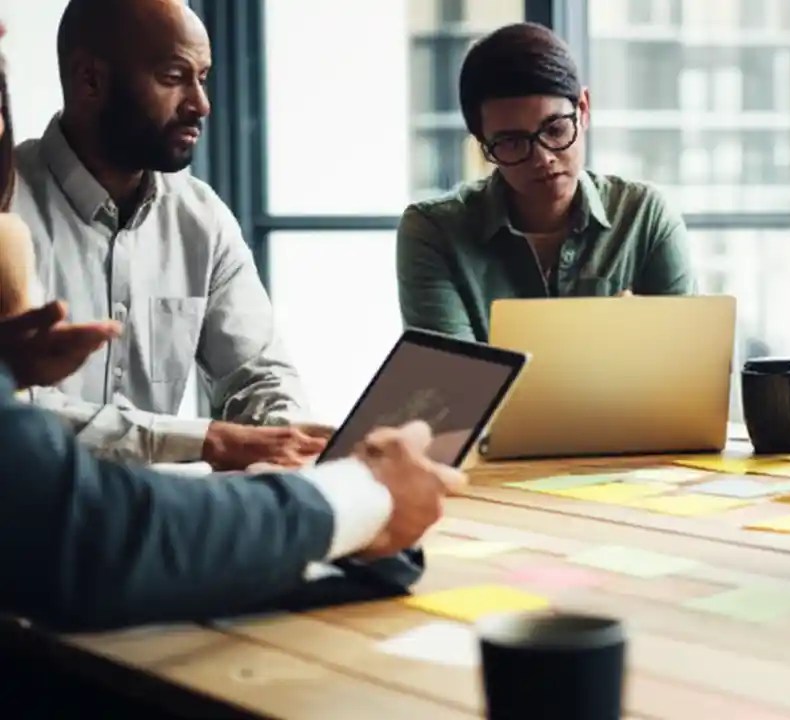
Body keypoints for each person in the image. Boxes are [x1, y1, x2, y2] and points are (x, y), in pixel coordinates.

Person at [0, 297, 466, 633]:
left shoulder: (197, 210)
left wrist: (291, 452)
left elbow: (259, 366)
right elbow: (88, 531)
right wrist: (365, 493)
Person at [10, 0, 322, 470]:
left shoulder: (201, 218)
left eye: (203, 77)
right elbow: (16, 415)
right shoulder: (7, 210)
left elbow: (258, 374)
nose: (201, 104)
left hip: (156, 520)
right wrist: (206, 441)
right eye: (175, 77)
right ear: (90, 79)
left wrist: (291, 441)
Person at [396, 22, 695, 342]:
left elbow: (689, 365)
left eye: (555, 130)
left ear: (583, 110)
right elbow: (459, 381)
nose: (542, 158)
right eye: (512, 142)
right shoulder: (435, 232)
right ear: (483, 146)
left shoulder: (644, 218)